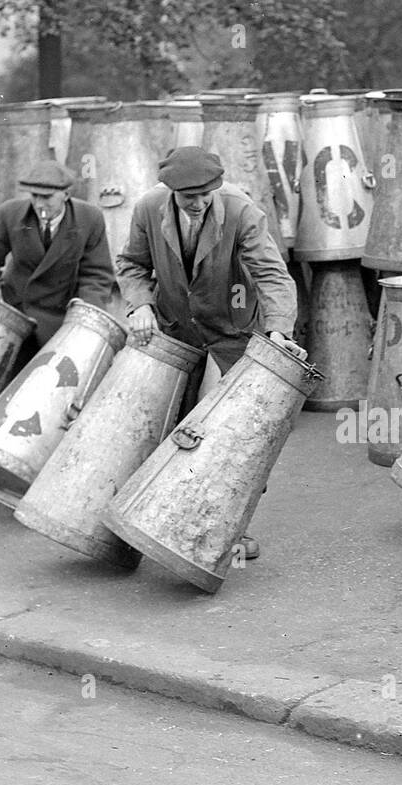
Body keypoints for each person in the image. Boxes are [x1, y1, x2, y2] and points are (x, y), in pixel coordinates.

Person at [116, 146, 304, 560]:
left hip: (230, 330)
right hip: (177, 330)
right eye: (189, 197)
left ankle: (227, 530)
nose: (199, 203)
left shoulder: (241, 211)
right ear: (170, 193)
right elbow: (131, 264)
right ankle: (160, 521)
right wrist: (141, 304)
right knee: (170, 429)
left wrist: (277, 331)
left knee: (232, 435)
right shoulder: (148, 208)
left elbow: (272, 274)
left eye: (206, 194)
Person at [0, 159, 117, 351]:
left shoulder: (89, 218)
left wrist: (84, 319)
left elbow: (97, 275)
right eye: (34, 196)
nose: (39, 204)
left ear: (66, 194)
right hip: (13, 314)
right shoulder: (10, 213)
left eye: (47, 197)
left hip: (60, 319)